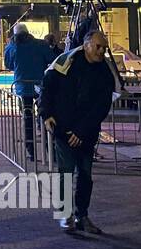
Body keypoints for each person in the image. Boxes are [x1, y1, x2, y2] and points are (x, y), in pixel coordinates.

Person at [39, 29, 116, 235]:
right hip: (63, 129)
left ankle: (82, 214)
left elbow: (102, 105)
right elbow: (47, 87)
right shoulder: (66, 63)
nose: (101, 52)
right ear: (86, 44)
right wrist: (46, 113)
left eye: (104, 48)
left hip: (87, 132)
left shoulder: (103, 72)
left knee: (85, 174)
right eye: (98, 47)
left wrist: (82, 131)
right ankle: (65, 215)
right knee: (65, 173)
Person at [3, 23, 54, 160]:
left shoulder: (11, 47)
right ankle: (51, 151)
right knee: (46, 117)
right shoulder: (40, 44)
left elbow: (8, 65)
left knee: (27, 120)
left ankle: (31, 152)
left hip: (22, 88)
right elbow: (51, 59)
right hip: (40, 87)